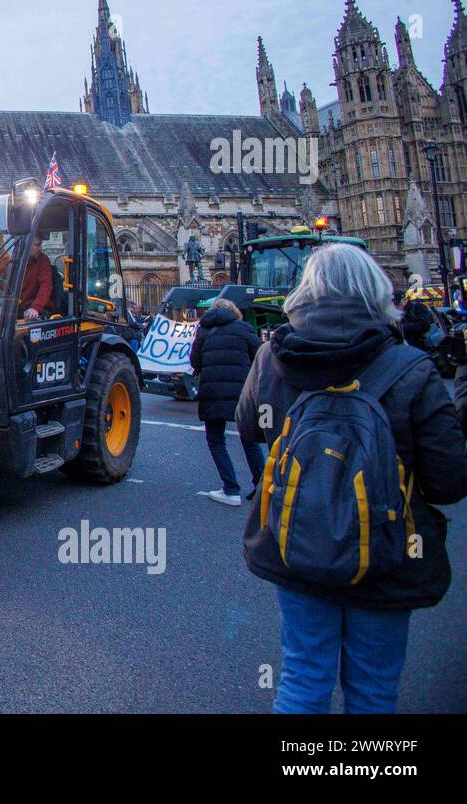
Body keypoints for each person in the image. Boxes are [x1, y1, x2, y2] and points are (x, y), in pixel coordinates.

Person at [236, 244, 467, 714]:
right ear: (377, 291)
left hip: (299, 542)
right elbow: (449, 481)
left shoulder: (273, 356)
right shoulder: (411, 368)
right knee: (373, 693)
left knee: (302, 681)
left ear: (306, 290)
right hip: (385, 551)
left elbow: (248, 427)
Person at [190, 298, 266, 507]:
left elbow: (194, 362)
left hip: (212, 391)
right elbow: (259, 356)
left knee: (215, 440)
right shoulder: (244, 328)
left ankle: (231, 490)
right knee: (249, 440)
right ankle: (262, 487)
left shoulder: (203, 330)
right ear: (234, 311)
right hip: (242, 390)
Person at [19, 236, 53, 320]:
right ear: (25, 245)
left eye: (39, 245)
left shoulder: (42, 260)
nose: (40, 249)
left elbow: (46, 285)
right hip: (14, 306)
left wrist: (35, 307)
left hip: (33, 307)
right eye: (37, 245)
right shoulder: (13, 260)